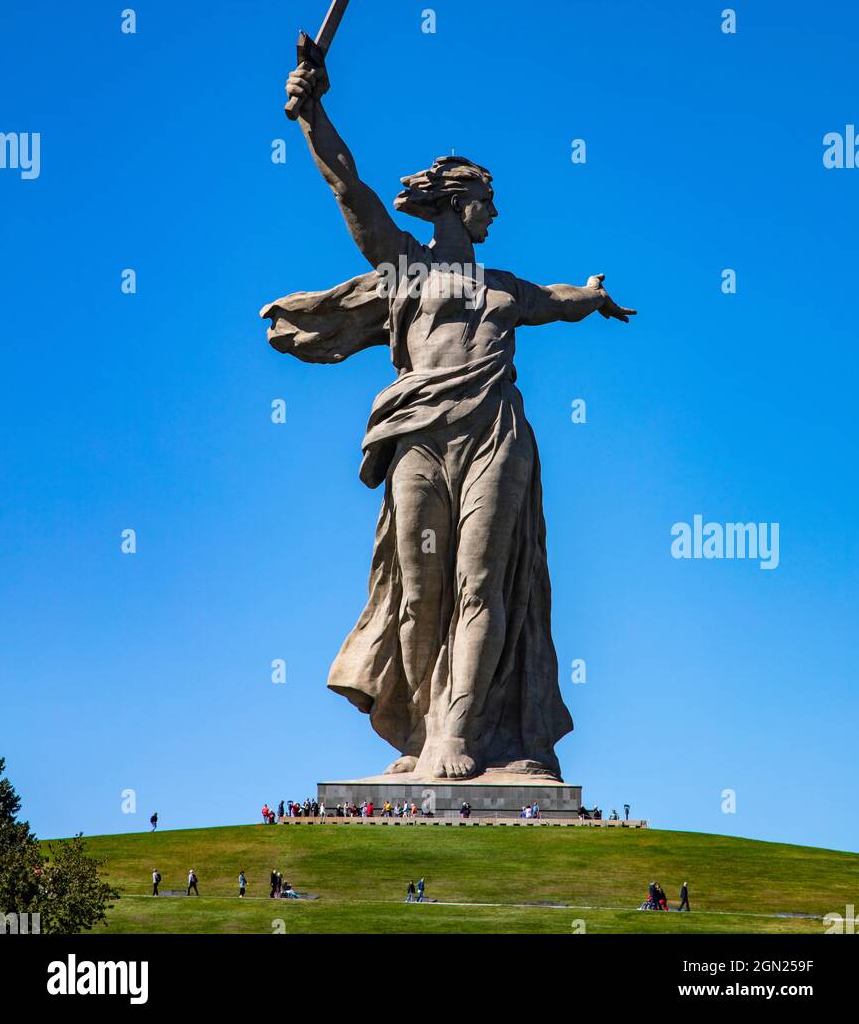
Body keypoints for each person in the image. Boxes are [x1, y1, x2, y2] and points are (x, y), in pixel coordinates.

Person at [269, 75, 636, 781]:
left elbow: (558, 301)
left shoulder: (506, 288)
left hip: (495, 435)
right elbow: (352, 193)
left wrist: (592, 297)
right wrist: (312, 116)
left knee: (481, 585)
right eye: (487, 201)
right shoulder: (404, 267)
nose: (494, 214)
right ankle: (423, 732)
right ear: (457, 202)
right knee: (418, 591)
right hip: (419, 436)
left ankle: (459, 735)